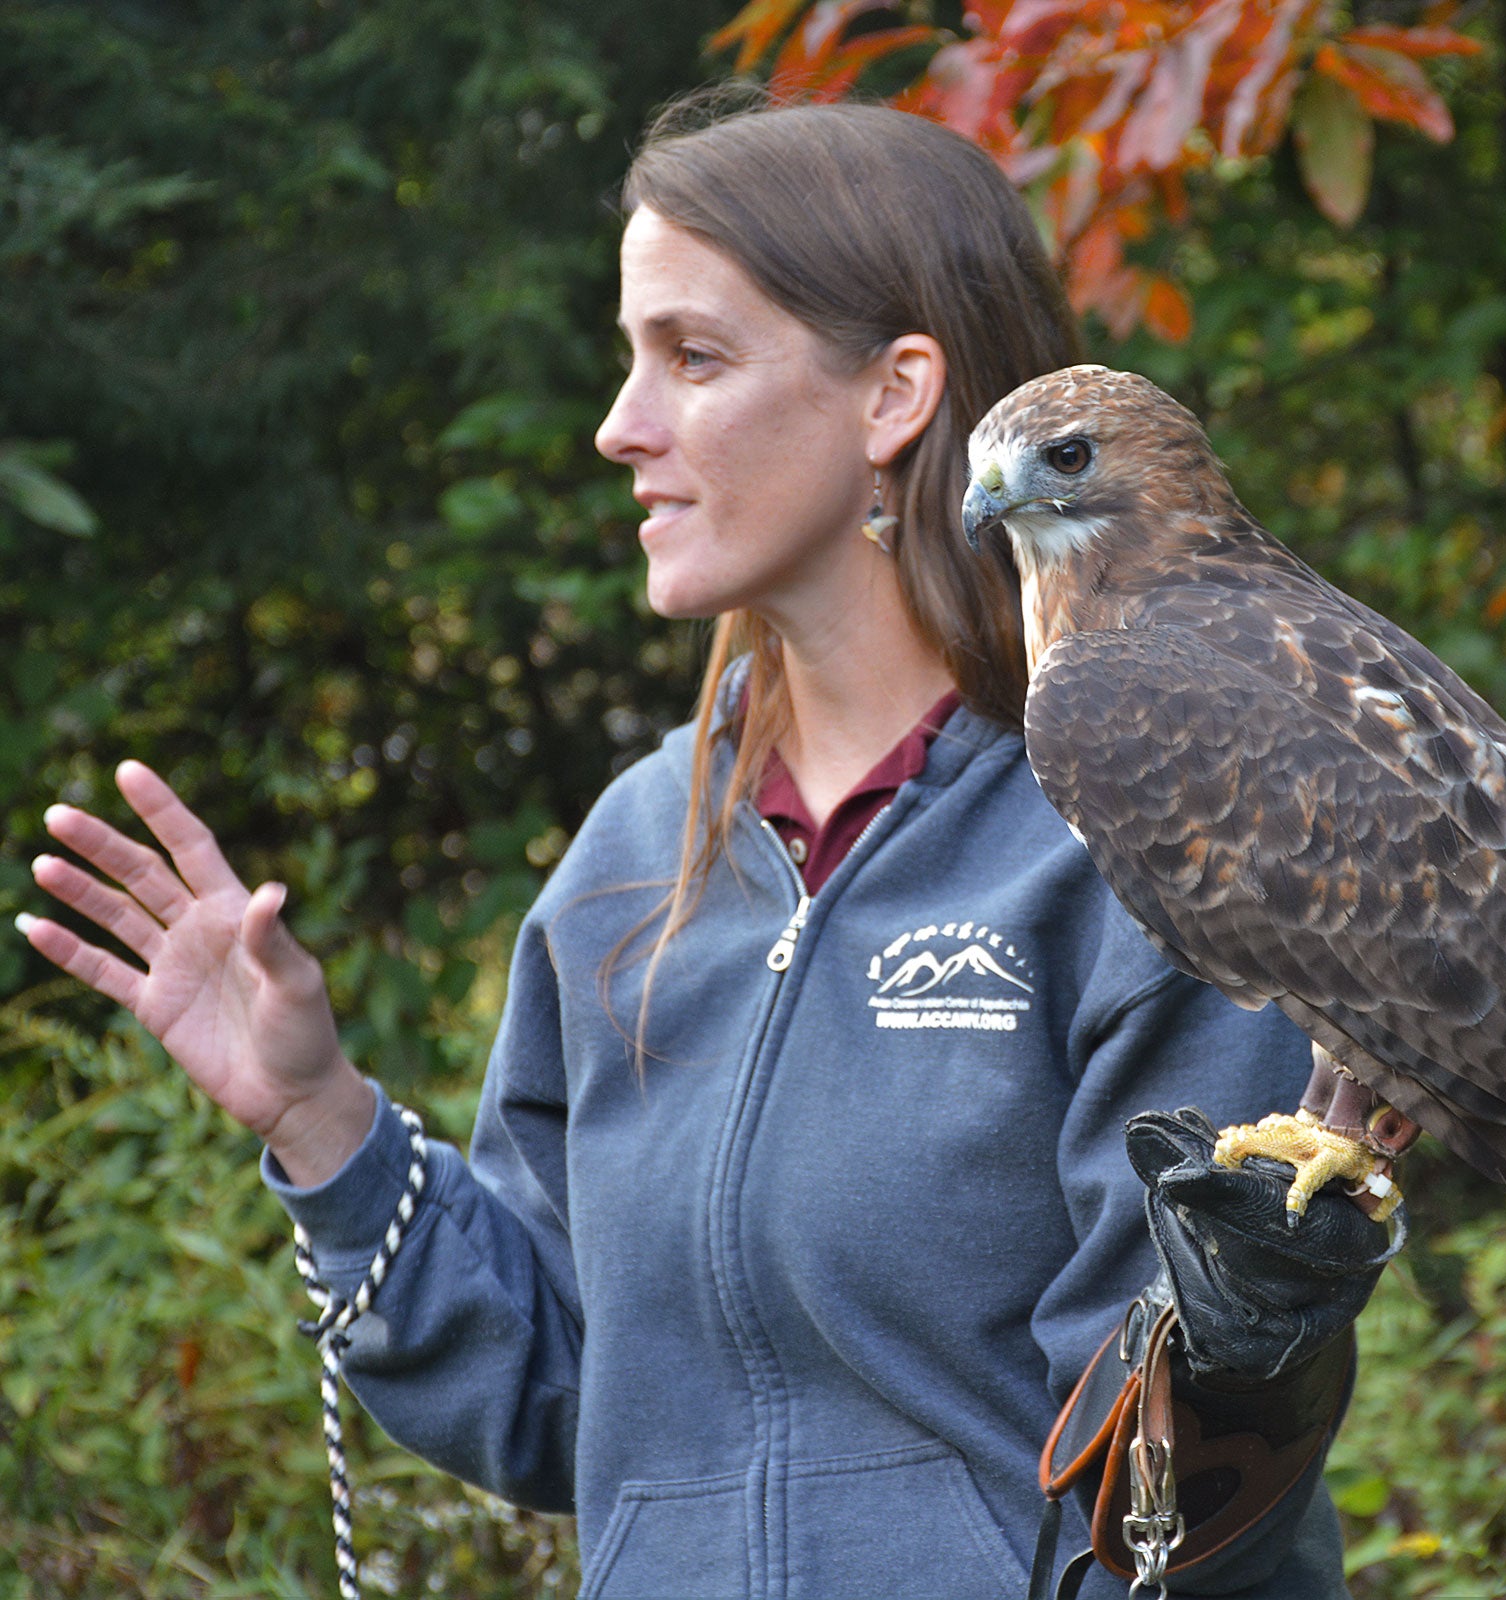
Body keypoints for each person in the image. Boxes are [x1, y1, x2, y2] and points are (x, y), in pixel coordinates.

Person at [17, 100, 1381, 1599]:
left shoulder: (1139, 832)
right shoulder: (632, 855)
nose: (621, 424)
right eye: (631, 354)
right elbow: (559, 1398)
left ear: (894, 397)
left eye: (694, 356)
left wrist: (1254, 1355)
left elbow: (1174, 1491)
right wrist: (320, 1121)